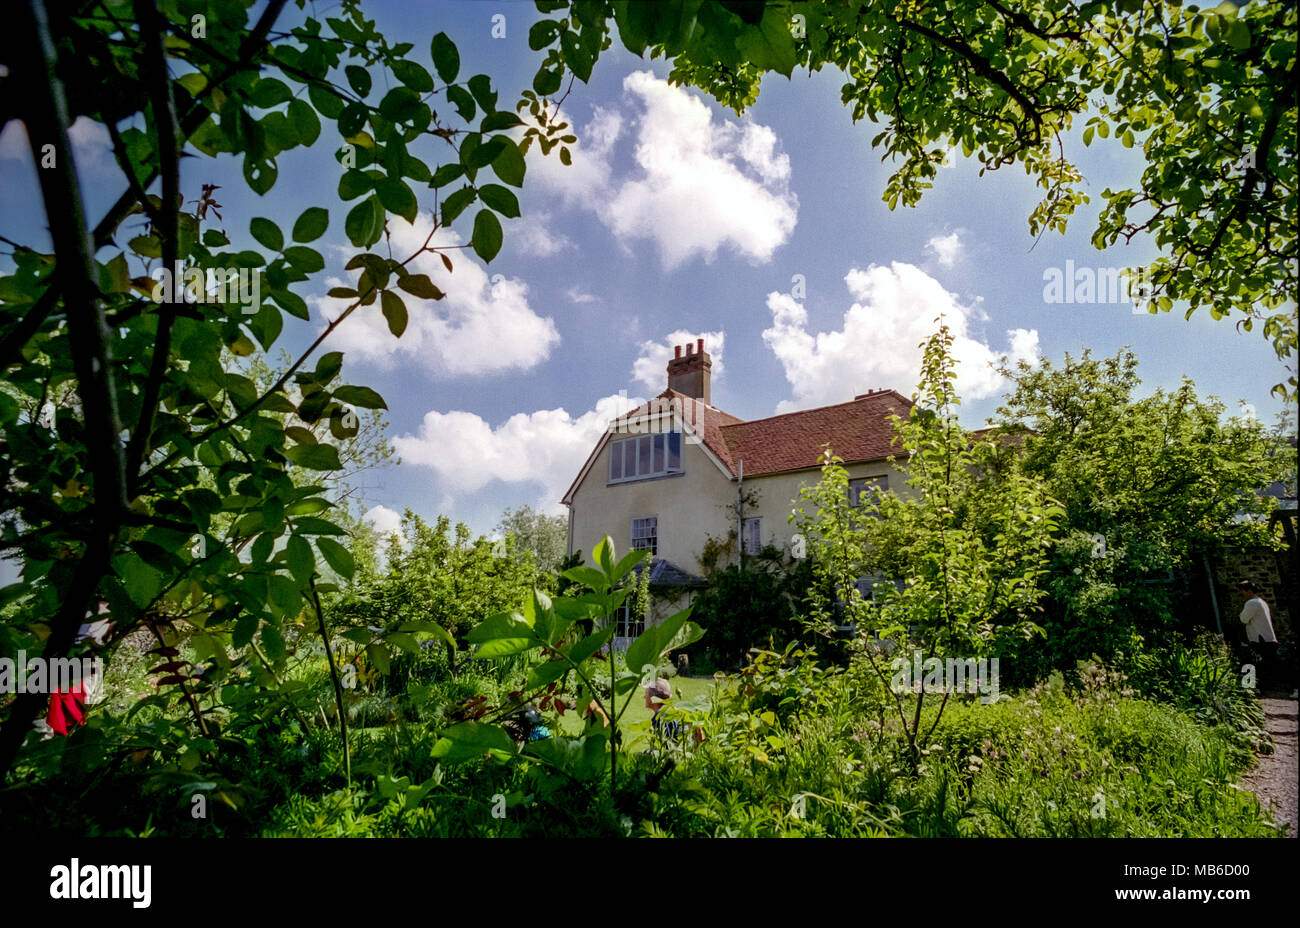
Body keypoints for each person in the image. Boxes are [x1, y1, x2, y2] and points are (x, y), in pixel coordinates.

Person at [1237, 580, 1278, 686]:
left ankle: (1252, 686)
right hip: (1268, 638)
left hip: (1260, 639)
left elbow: (1243, 619)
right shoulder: (1261, 601)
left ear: (1249, 590)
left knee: (1254, 663)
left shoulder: (1251, 603)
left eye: (1242, 591)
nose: (1241, 594)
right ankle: (1267, 686)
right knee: (1268, 664)